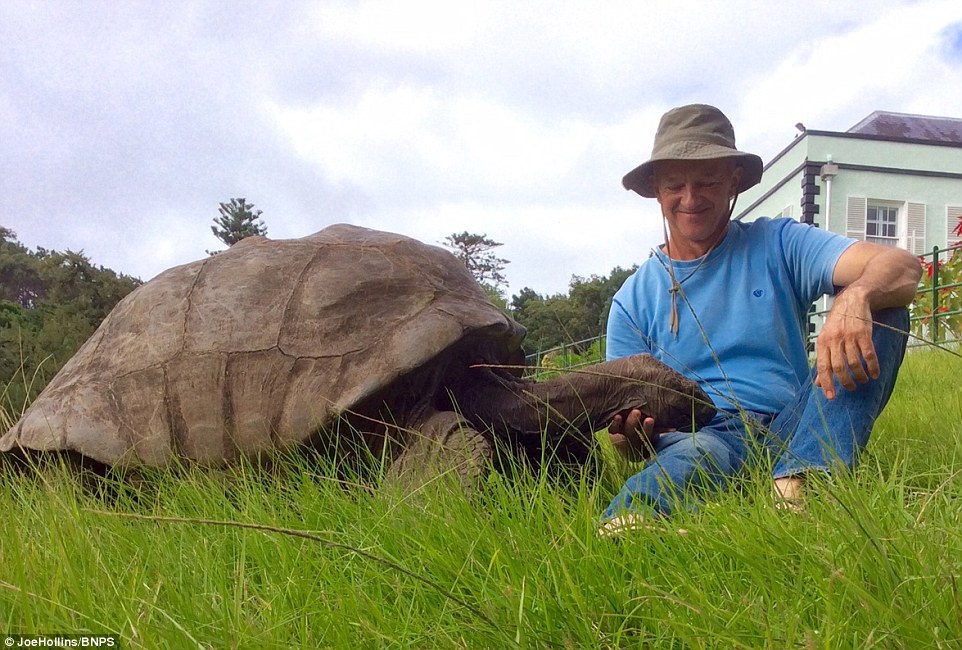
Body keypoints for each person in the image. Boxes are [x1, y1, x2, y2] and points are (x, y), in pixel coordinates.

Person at [599, 104, 921, 534]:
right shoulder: (630, 302)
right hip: (702, 433)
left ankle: (795, 488)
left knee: (885, 309)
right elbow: (624, 441)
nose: (690, 198)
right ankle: (632, 520)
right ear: (656, 189)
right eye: (675, 184)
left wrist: (856, 296)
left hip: (797, 419)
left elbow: (900, 265)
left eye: (708, 181)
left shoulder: (779, 242)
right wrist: (630, 438)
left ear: (734, 180)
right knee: (697, 455)